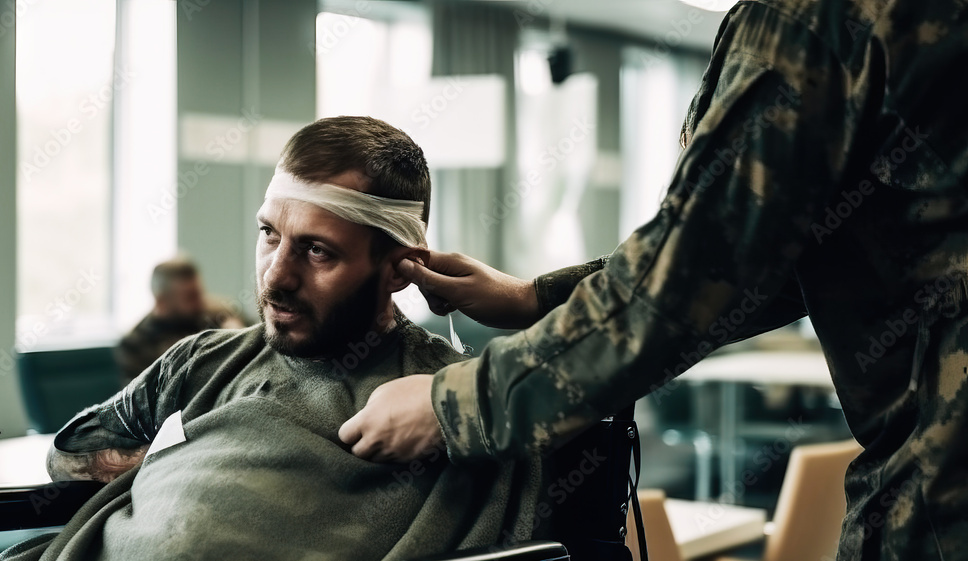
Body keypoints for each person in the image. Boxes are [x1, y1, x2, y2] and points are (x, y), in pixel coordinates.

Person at [338, 1, 968, 559]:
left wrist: (460, 405)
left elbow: (693, 278)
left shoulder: (807, 19)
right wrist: (537, 298)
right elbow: (768, 265)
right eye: (271, 235)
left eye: (318, 248)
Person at [0, 117, 539, 561]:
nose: (276, 276)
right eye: (269, 235)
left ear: (399, 271)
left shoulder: (446, 402)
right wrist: (182, 456)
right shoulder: (205, 360)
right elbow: (70, 453)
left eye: (317, 250)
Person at [115, 256, 246, 382]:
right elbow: (146, 399)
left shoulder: (219, 314)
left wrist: (240, 336)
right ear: (162, 302)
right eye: (190, 297)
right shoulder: (135, 345)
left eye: (199, 293)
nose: (200, 302)